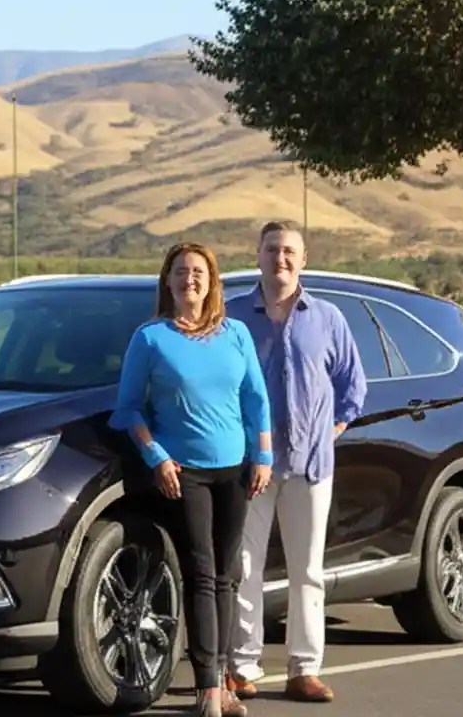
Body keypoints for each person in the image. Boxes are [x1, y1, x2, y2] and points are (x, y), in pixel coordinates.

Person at [109, 242, 273, 717]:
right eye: (180, 272)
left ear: (211, 280)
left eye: (198, 272)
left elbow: (256, 399)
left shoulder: (236, 333)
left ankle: (224, 681)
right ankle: (206, 689)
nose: (189, 280)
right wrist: (155, 455)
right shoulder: (151, 338)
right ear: (168, 281)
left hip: (236, 469)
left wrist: (262, 454)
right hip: (184, 473)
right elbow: (129, 409)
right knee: (201, 573)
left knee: (227, 575)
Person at [225, 221, 367, 704]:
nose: (279, 259)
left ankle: (304, 670)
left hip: (310, 467)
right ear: (258, 255)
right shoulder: (232, 316)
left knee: (308, 570)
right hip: (250, 467)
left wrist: (330, 432)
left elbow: (353, 389)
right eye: (271, 250)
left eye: (289, 251)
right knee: (245, 568)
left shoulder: (328, 319)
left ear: (303, 259)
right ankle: (242, 668)